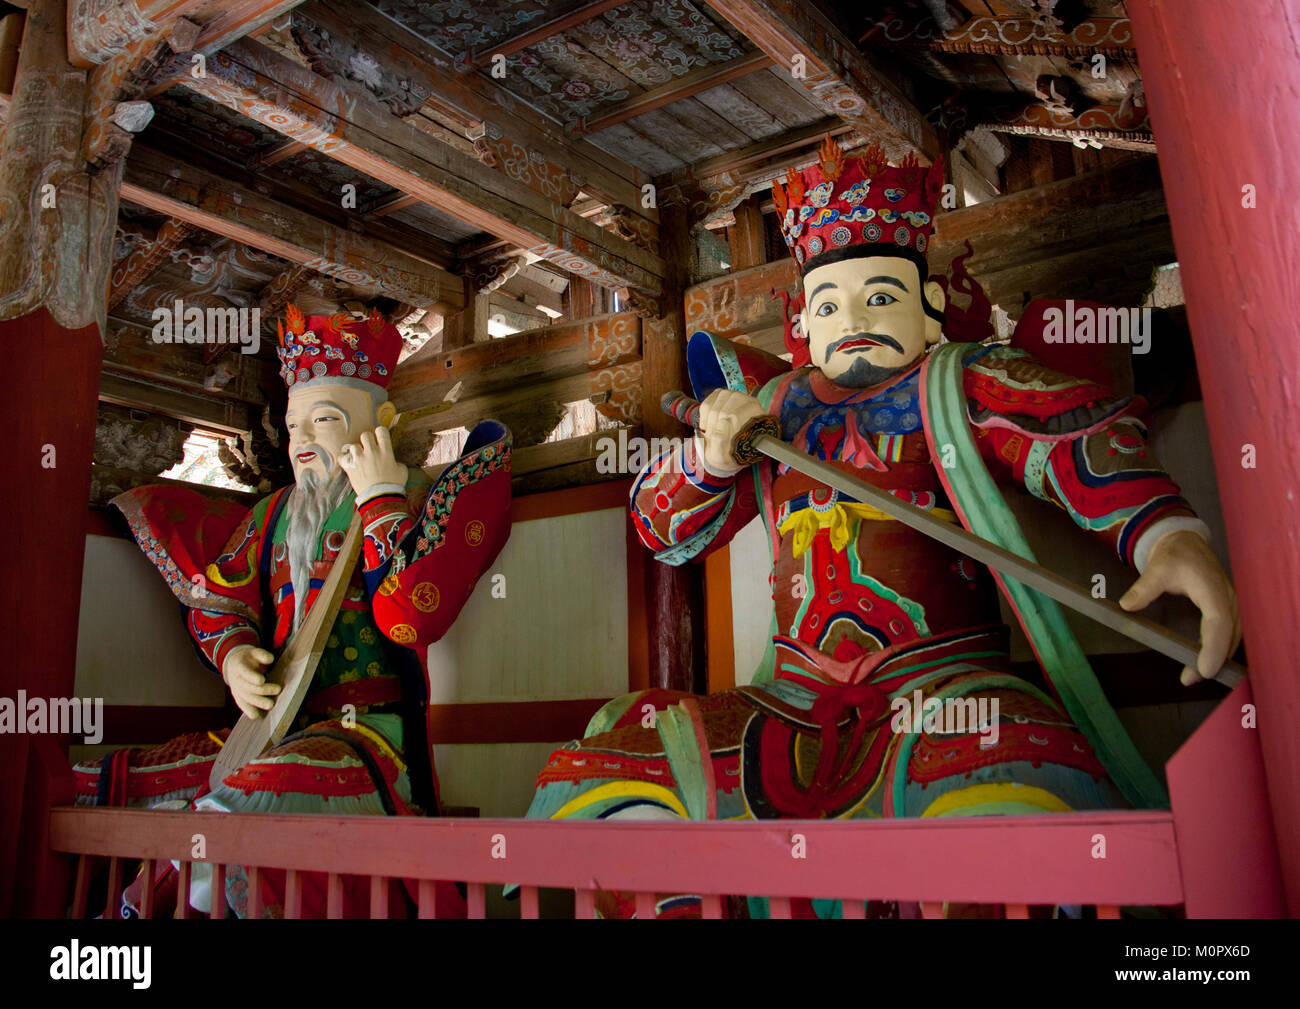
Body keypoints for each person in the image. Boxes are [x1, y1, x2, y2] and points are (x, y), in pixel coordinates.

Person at [520, 139, 1240, 918]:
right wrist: (710, 457)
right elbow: (661, 531)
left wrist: (1166, 535)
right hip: (792, 698)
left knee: (1015, 770)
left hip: (946, 692)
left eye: (880, 297)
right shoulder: (775, 413)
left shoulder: (957, 380)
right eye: (829, 306)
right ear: (802, 321)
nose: (854, 320)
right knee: (631, 752)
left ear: (928, 305)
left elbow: (1070, 435)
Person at [80, 300, 512, 917]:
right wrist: (234, 658)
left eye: (325, 420)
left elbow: (412, 617)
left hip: (367, 737)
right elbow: (220, 601)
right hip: (268, 728)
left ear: (380, 421)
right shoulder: (272, 514)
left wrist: (380, 498)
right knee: (138, 776)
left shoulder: (416, 497)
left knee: (263, 792)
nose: (303, 440)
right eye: (293, 426)